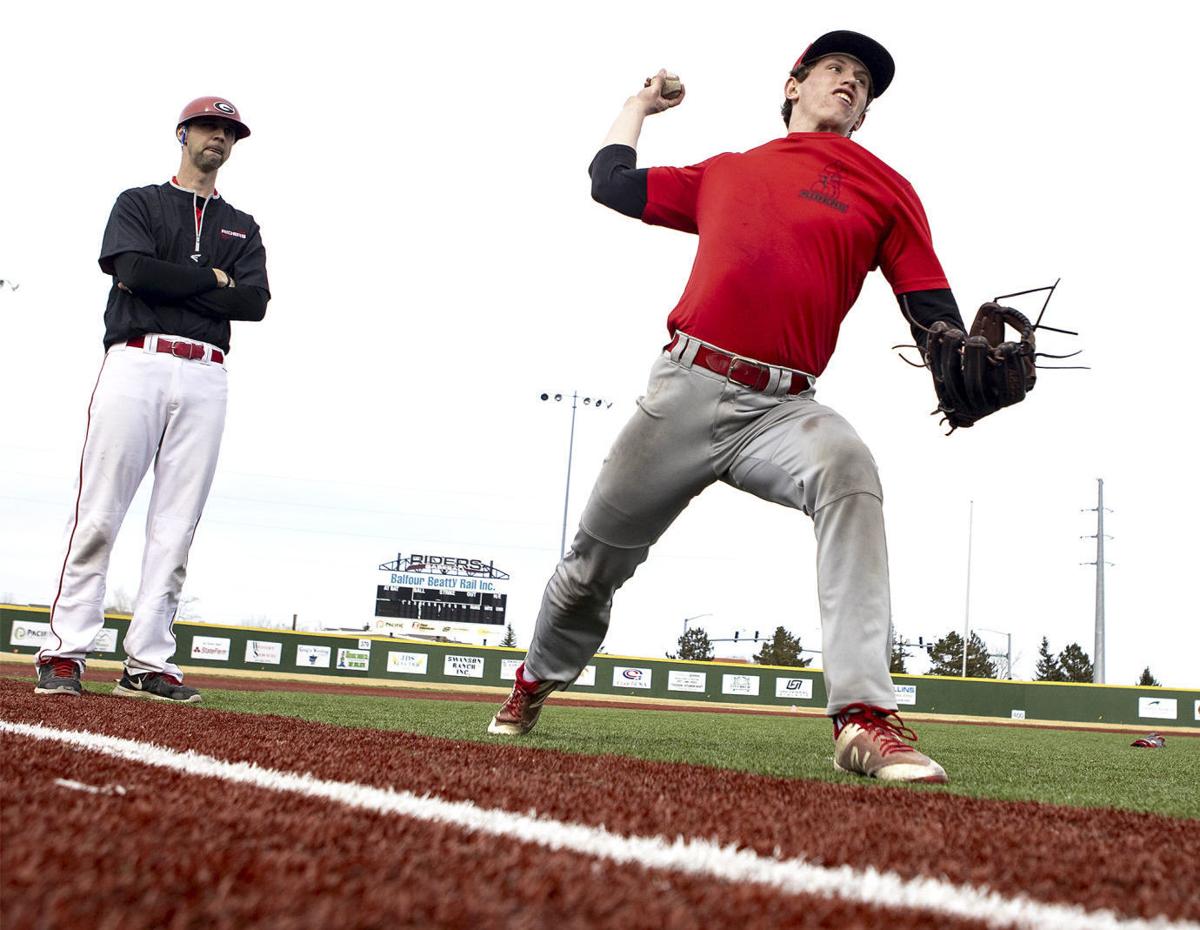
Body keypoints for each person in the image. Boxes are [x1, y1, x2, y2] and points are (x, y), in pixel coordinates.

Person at [490, 32, 966, 784]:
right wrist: (636, 105)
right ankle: (535, 679)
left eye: (864, 81)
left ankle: (864, 717)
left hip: (783, 411)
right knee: (591, 568)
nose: (850, 82)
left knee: (849, 468)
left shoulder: (886, 188)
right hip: (685, 389)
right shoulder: (729, 171)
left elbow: (929, 305)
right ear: (793, 86)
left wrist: (960, 361)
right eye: (835, 69)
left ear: (866, 113)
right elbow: (611, 182)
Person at [33, 97, 270, 703]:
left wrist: (186, 283)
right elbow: (135, 271)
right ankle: (65, 651)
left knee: (176, 525)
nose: (218, 137)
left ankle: (148, 661)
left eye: (229, 131)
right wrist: (213, 281)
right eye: (208, 127)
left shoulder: (242, 224)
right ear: (183, 134)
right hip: (137, 359)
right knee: (100, 510)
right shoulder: (138, 202)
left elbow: (253, 303)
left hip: (207, 373)